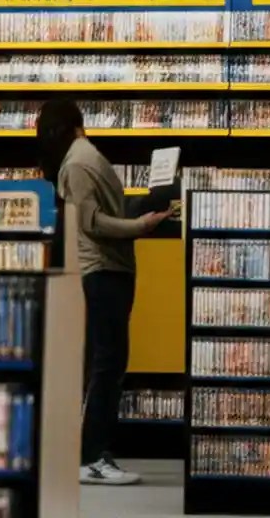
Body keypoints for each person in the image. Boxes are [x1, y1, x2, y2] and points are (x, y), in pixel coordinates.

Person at [37, 97, 173, 486]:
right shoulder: (80, 162)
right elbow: (92, 223)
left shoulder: (77, 159)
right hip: (102, 270)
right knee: (107, 364)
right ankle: (92, 456)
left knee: (106, 364)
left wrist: (143, 210)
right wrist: (140, 226)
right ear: (77, 122)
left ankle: (92, 453)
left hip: (109, 269)